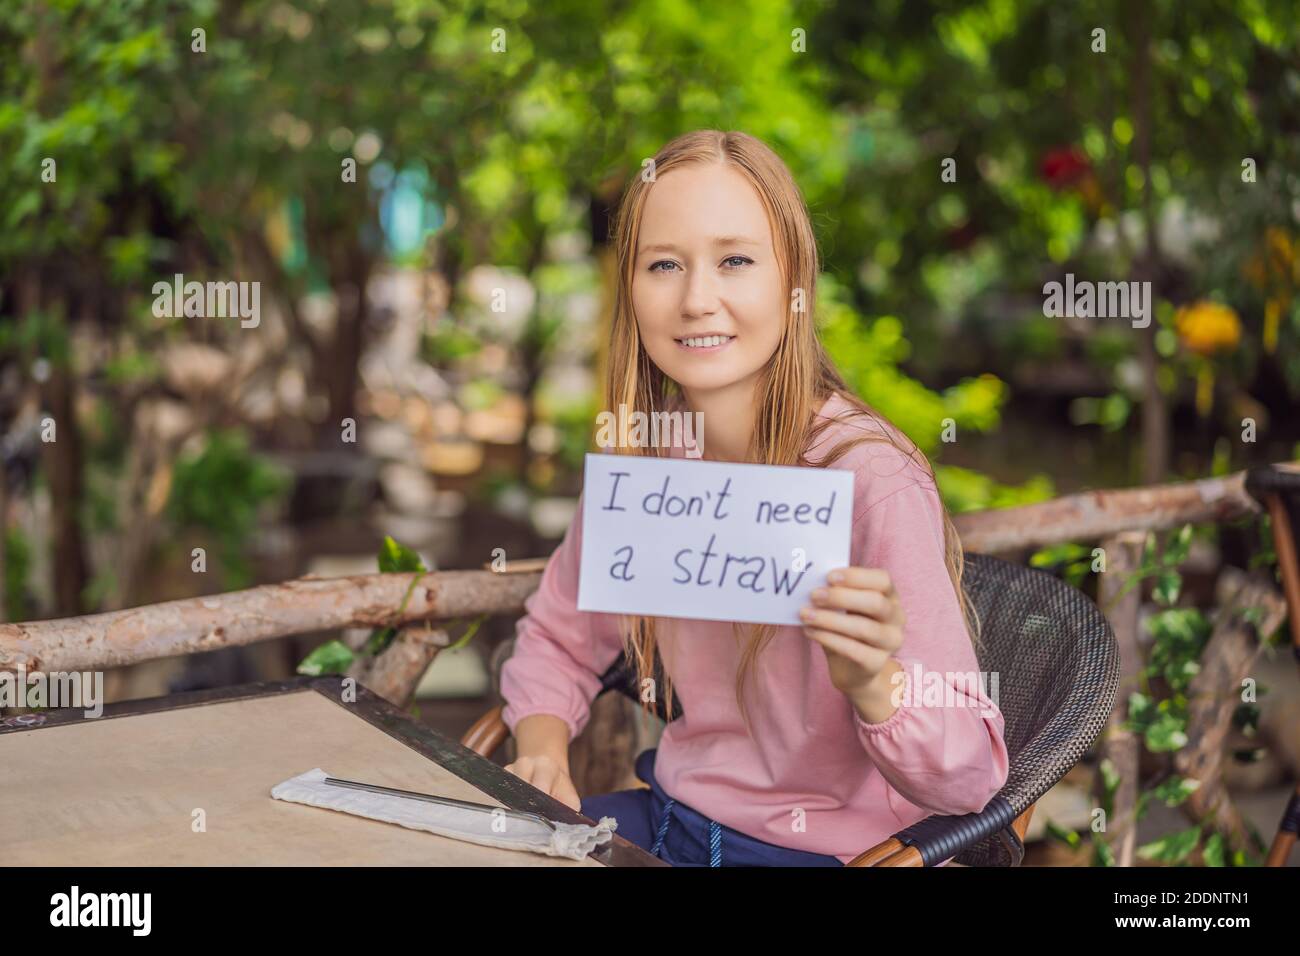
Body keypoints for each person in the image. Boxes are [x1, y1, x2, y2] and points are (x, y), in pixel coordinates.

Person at [500, 129, 1009, 866]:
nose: (697, 299)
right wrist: (544, 751)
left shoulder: (870, 478)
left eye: (735, 261)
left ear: (793, 281)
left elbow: (970, 775)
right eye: (663, 265)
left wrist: (876, 682)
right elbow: (558, 637)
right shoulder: (651, 457)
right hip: (670, 821)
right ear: (628, 289)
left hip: (832, 856)